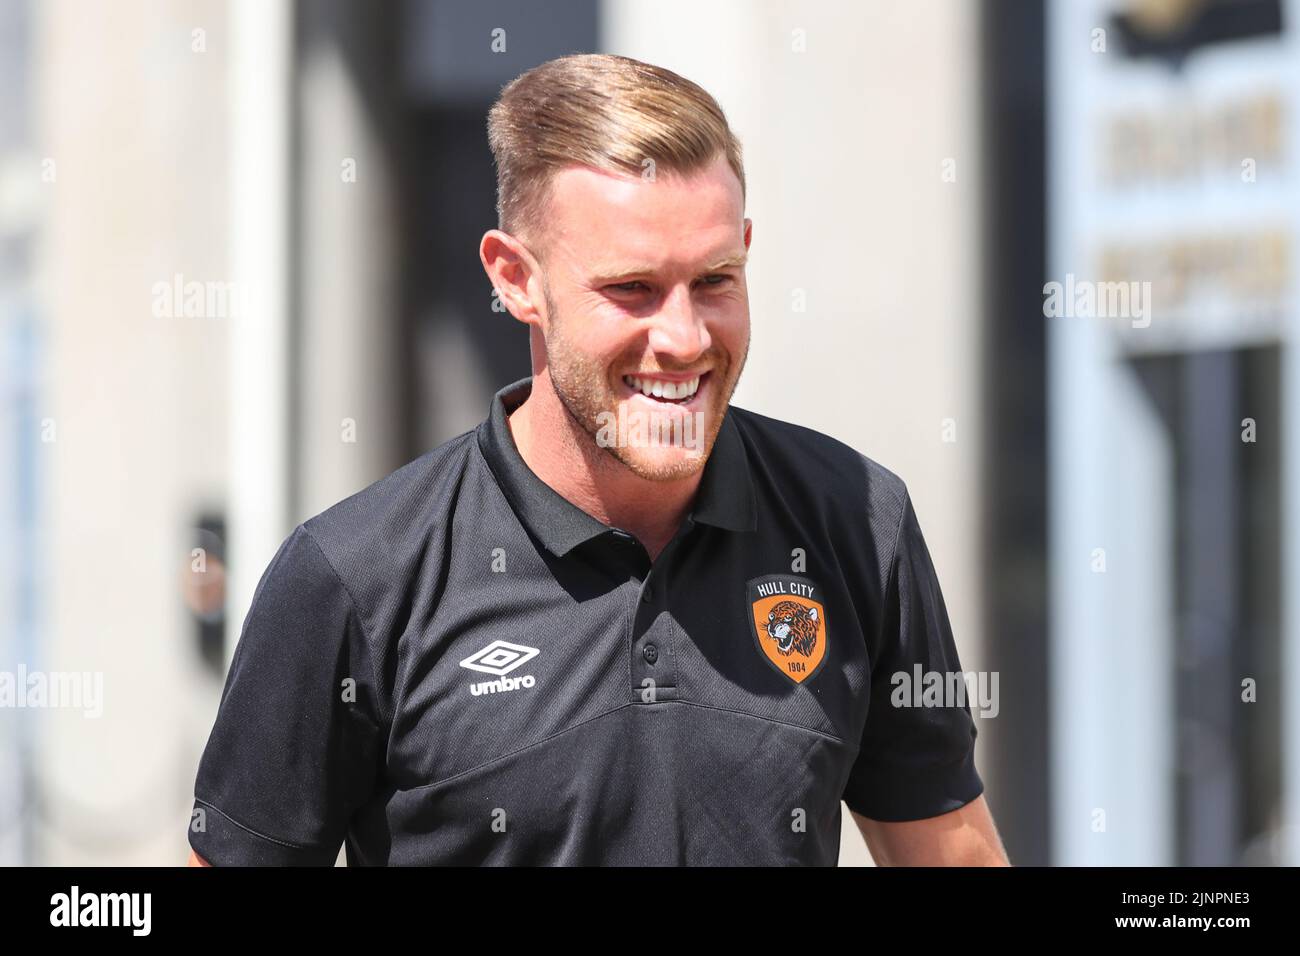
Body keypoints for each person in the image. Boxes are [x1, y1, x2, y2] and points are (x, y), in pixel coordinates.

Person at [187, 52, 1009, 866]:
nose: (684, 339)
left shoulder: (857, 521)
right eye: (632, 290)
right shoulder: (355, 577)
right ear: (516, 280)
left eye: (715, 280)